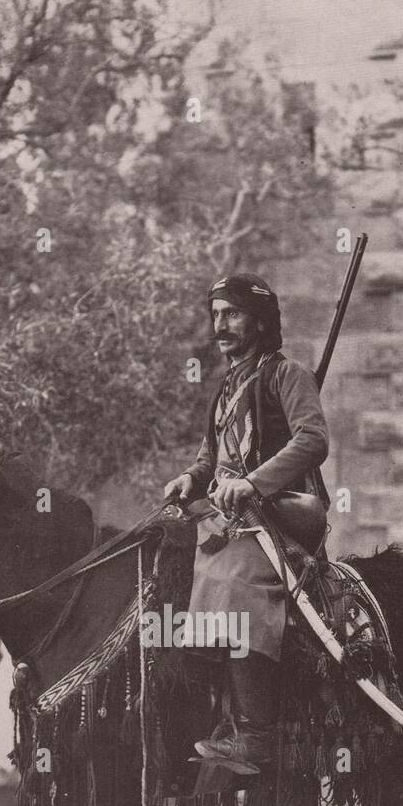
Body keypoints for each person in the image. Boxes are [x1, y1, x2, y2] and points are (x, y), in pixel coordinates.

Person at [163, 273, 329, 773]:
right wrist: (191, 478)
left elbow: (313, 439)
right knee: (164, 557)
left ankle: (257, 734)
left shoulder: (287, 375)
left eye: (232, 314)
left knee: (232, 579)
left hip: (288, 511)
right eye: (215, 315)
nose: (221, 325)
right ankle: (209, 717)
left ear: (260, 320)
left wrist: (255, 483)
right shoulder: (229, 384)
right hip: (235, 516)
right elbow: (212, 456)